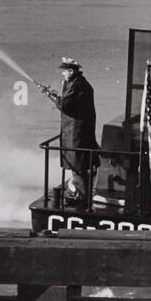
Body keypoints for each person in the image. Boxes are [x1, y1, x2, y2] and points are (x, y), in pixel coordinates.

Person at [37, 57, 99, 208]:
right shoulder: (79, 83)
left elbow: (65, 105)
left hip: (76, 134)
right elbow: (68, 103)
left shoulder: (76, 85)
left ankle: (83, 203)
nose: (62, 74)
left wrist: (50, 95)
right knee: (82, 165)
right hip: (78, 133)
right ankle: (83, 196)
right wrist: (55, 95)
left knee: (77, 166)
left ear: (71, 71)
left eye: (64, 72)